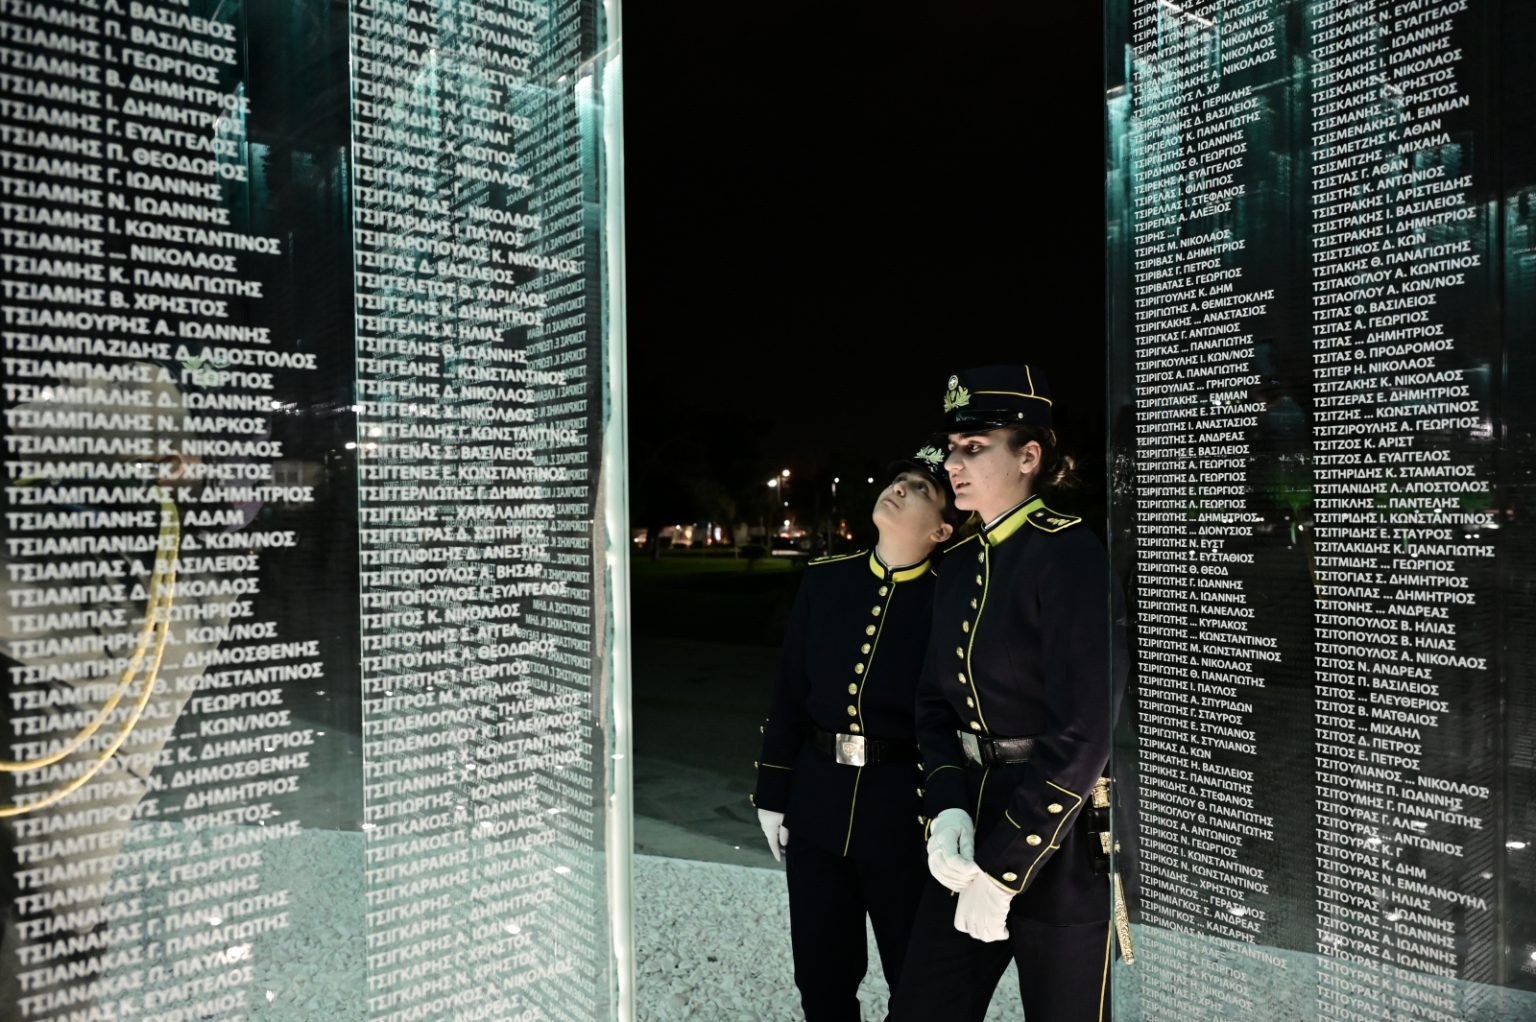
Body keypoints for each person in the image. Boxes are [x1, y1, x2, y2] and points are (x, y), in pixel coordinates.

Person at [890, 365, 1129, 1022]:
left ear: (1029, 456)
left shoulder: (1069, 555)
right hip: (970, 823)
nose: (952, 463)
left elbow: (1083, 732)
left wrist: (1003, 869)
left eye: (974, 447)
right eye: (950, 447)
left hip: (1056, 835)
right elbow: (933, 704)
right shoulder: (960, 563)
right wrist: (947, 811)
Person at [752, 444, 966, 1022]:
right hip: (816, 807)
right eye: (898, 480)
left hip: (904, 817)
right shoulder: (826, 581)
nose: (900, 487)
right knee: (821, 977)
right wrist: (773, 794)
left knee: (915, 982)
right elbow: (790, 695)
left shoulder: (953, 601)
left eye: (922, 489)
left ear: (943, 530)